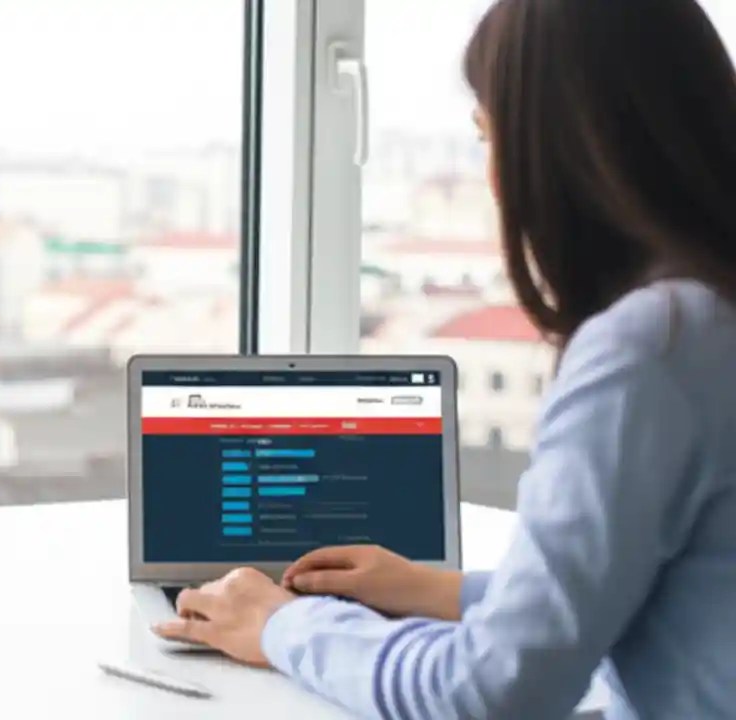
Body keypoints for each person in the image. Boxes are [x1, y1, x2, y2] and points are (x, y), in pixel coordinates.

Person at [154, 0, 736, 717]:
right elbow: (683, 580)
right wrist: (439, 591)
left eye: (489, 138)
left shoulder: (656, 351)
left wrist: (281, 625)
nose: (492, 179)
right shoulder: (709, 324)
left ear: (557, 149)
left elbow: (486, 691)